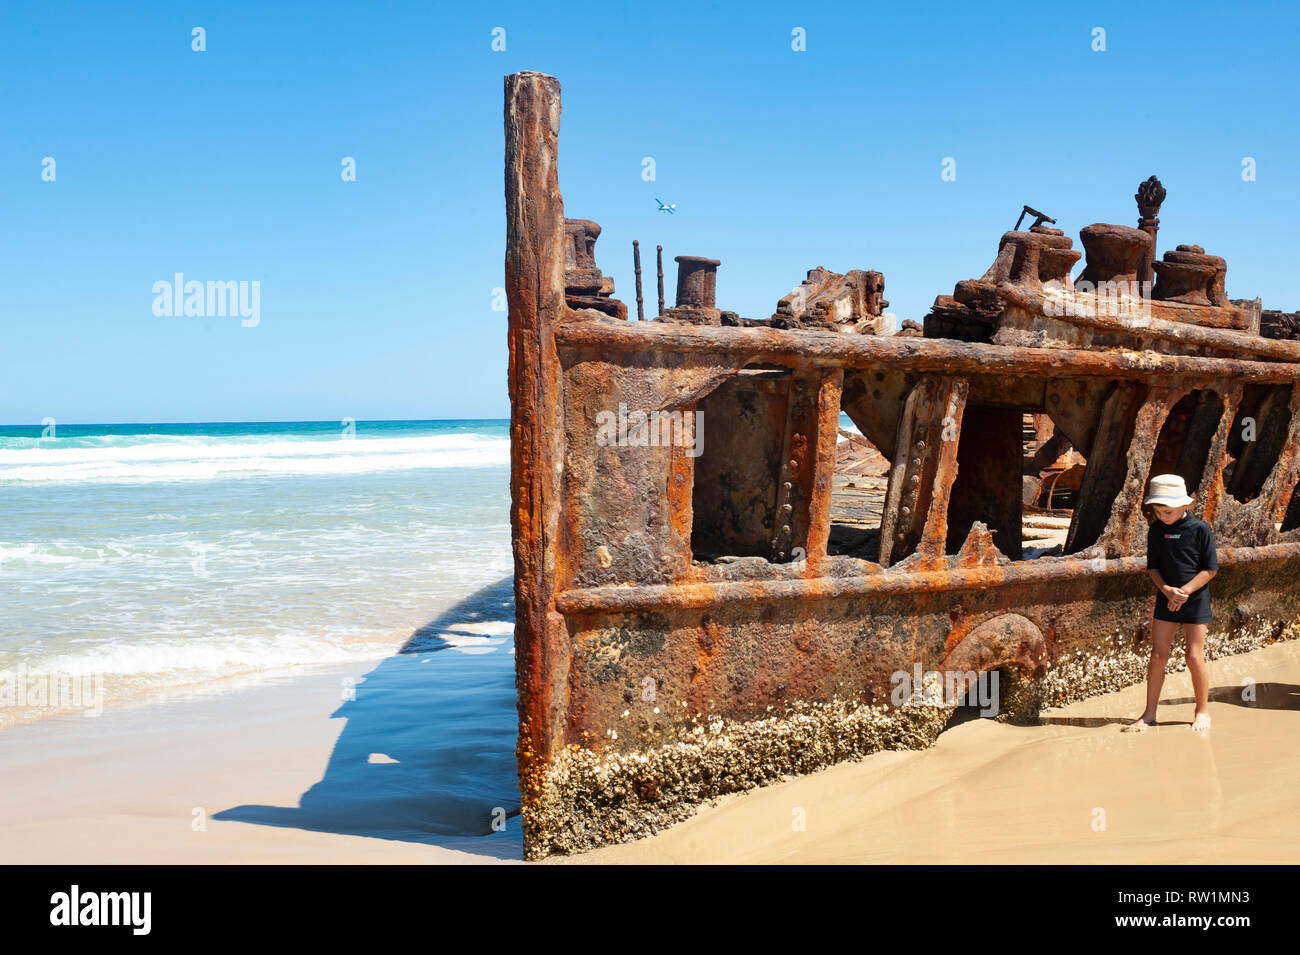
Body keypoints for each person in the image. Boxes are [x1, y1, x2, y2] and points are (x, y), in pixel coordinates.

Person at [1122, 473, 1218, 735]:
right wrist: (1167, 591)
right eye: (1157, 511)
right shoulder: (1156, 530)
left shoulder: (1200, 529)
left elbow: (1210, 569)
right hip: (1167, 597)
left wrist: (1184, 592)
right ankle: (1150, 712)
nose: (1162, 516)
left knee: (1193, 656)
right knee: (1157, 655)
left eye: (1167, 511)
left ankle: (1202, 710)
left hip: (1194, 598)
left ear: (1184, 505)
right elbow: (1152, 567)